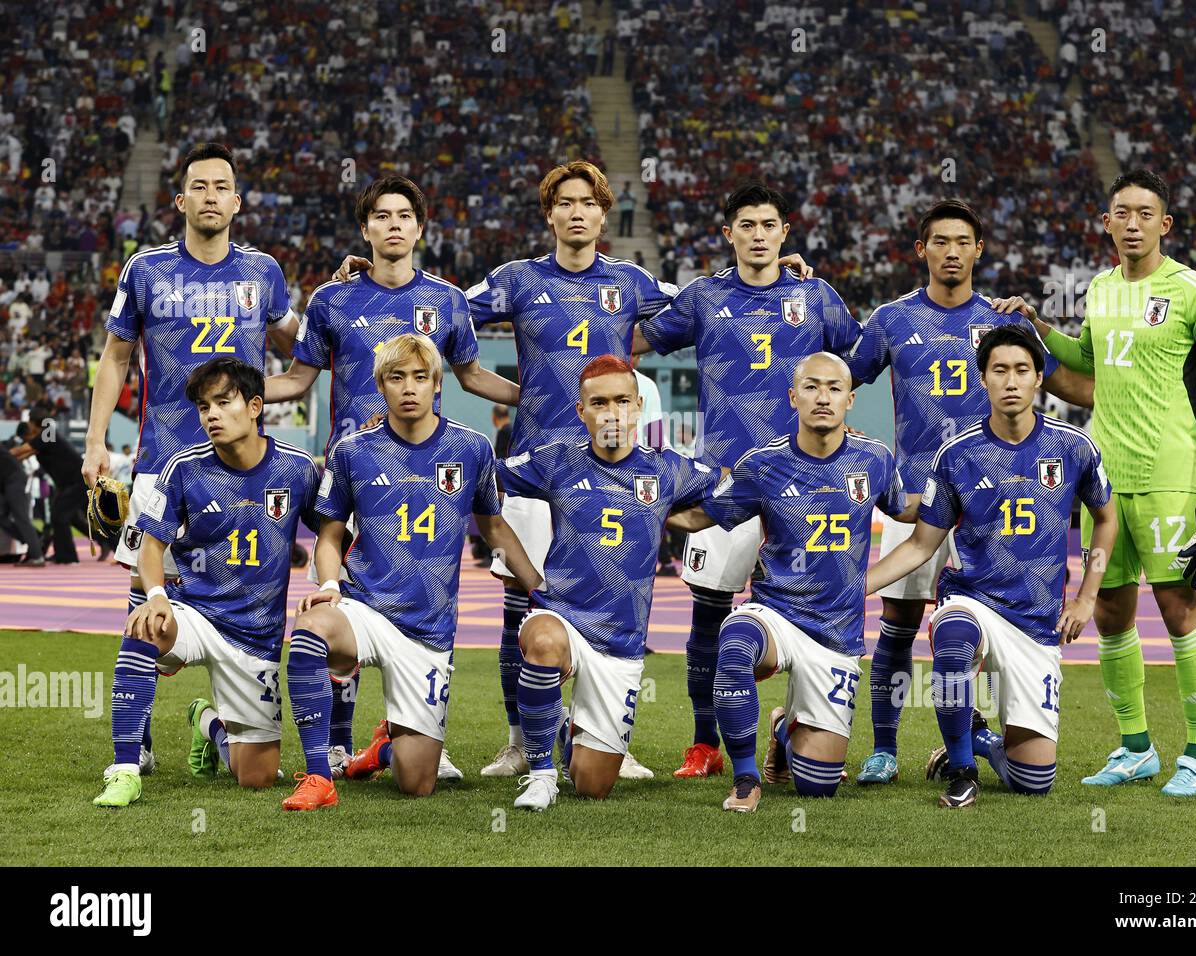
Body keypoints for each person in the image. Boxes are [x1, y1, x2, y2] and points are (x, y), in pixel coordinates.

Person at [331, 161, 810, 780]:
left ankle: (607, 736)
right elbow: (437, 307)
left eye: (588, 202)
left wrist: (779, 272)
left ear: (604, 214)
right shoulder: (516, 280)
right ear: (550, 212)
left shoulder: (633, 282)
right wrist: (371, 275)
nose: (577, 212)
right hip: (537, 464)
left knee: (613, 597)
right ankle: (517, 744)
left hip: (614, 468)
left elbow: (716, 297)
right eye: (565, 202)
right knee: (519, 606)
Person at [265, 175, 518, 780]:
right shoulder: (330, 301)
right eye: (382, 215)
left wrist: (544, 401)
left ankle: (412, 729)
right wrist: (230, 396)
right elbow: (298, 380)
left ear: (421, 228)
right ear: (366, 228)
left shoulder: (449, 301)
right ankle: (333, 742)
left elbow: (472, 377)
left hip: (428, 469)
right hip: (355, 471)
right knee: (344, 601)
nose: (394, 225)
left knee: (430, 589)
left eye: (405, 215)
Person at [844, 199, 1094, 785]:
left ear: (979, 249)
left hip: (992, 505)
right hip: (913, 500)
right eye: (940, 241)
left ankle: (971, 735)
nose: (951, 251)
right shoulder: (890, 320)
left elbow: (1073, 387)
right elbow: (838, 379)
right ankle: (884, 749)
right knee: (899, 626)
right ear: (921, 249)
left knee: (979, 627)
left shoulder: (1007, 324)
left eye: (963, 241)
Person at [1018, 169, 1196, 796]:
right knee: (1113, 613)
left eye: (1146, 213)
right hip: (1104, 474)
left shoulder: (1194, 291)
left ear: (1164, 224)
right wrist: (1039, 329)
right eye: (1123, 212)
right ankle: (1136, 747)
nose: (1134, 223)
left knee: (1178, 609)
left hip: (1170, 472)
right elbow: (1089, 365)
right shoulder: (1098, 289)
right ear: (1107, 221)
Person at [81, 142, 299, 777]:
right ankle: (138, 744)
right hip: (160, 462)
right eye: (197, 186)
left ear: (236, 201)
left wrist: (342, 297)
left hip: (244, 471)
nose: (209, 195)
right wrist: (97, 443)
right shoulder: (145, 270)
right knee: (142, 600)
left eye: (220, 186)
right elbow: (116, 357)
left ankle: (221, 716)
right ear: (181, 201)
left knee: (239, 594)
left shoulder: (264, 272)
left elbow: (300, 345)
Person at [631, 182, 863, 780]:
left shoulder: (815, 296)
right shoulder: (703, 297)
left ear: (786, 231)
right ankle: (706, 742)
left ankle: (798, 726)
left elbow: (863, 356)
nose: (758, 235)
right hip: (725, 480)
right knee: (708, 617)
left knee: (812, 608)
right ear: (728, 233)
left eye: (768, 225)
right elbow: (631, 339)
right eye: (746, 225)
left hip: (807, 481)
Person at [280, 335, 541, 810]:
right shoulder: (353, 451)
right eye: (397, 377)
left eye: (421, 377)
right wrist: (330, 586)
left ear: (437, 383)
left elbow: (496, 530)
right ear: (381, 385)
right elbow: (330, 535)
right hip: (364, 607)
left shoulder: (473, 448)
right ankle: (319, 775)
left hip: (429, 631)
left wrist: (539, 591)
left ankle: (383, 747)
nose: (409, 388)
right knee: (311, 630)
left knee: (416, 782)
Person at [865, 325, 1117, 807]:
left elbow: (1106, 519)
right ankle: (963, 769)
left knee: (1032, 782)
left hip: (1037, 624)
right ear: (983, 379)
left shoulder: (1074, 447)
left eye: (1022, 369)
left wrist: (1086, 598)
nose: (1011, 380)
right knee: (954, 635)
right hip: (973, 601)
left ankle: (980, 738)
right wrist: (857, 585)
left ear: (1038, 378)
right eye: (999, 370)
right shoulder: (956, 455)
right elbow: (921, 546)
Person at [667, 352, 910, 811]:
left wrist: (865, 582)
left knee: (817, 785)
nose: (823, 397)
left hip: (836, 634)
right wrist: (644, 506)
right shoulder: (763, 463)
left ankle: (782, 728)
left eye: (834, 388)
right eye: (812, 387)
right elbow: (702, 515)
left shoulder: (875, 459)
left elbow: (912, 516)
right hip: (776, 614)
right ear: (792, 396)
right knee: (735, 642)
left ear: (851, 400)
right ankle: (745, 778)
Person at [93, 358, 320, 807]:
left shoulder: (297, 470)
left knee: (256, 777)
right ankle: (124, 769)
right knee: (143, 624)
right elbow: (152, 547)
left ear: (255, 406)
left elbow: (332, 532)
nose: (211, 414)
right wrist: (156, 596)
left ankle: (209, 723)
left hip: (256, 639)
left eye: (223, 401)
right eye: (203, 406)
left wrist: (328, 584)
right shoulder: (183, 467)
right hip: (195, 613)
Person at [504, 356, 720, 811]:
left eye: (622, 401)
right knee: (542, 640)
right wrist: (531, 581)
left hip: (620, 645)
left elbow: (737, 486)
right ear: (581, 411)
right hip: (560, 617)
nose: (612, 412)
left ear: (639, 406)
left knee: (592, 785)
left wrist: (830, 447)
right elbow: (477, 473)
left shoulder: (668, 470)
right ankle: (541, 774)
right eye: (599, 403)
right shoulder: (554, 460)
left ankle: (564, 730)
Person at [13, 408, 100, 563]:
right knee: (70, 517)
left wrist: (5, 453)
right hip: (69, 482)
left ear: (34, 424)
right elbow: (24, 454)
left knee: (59, 516)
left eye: (29, 423)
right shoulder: (45, 437)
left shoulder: (46, 435)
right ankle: (102, 544)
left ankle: (67, 556)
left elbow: (22, 450)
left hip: (76, 480)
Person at [0, 442, 43, 566]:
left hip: (14, 481)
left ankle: (37, 557)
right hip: (5, 484)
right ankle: (35, 538)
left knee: (21, 518)